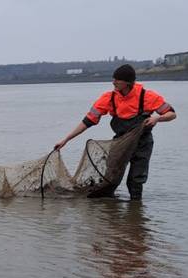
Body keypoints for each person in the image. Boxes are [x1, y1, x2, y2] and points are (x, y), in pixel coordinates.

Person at [53, 64, 177, 200]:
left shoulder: (147, 96)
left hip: (142, 143)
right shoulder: (109, 98)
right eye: (114, 79)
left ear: (128, 82)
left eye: (118, 80)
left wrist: (158, 118)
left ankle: (135, 210)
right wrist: (66, 139)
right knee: (110, 176)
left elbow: (171, 114)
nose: (113, 82)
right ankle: (108, 207)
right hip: (119, 142)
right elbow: (88, 121)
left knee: (136, 179)